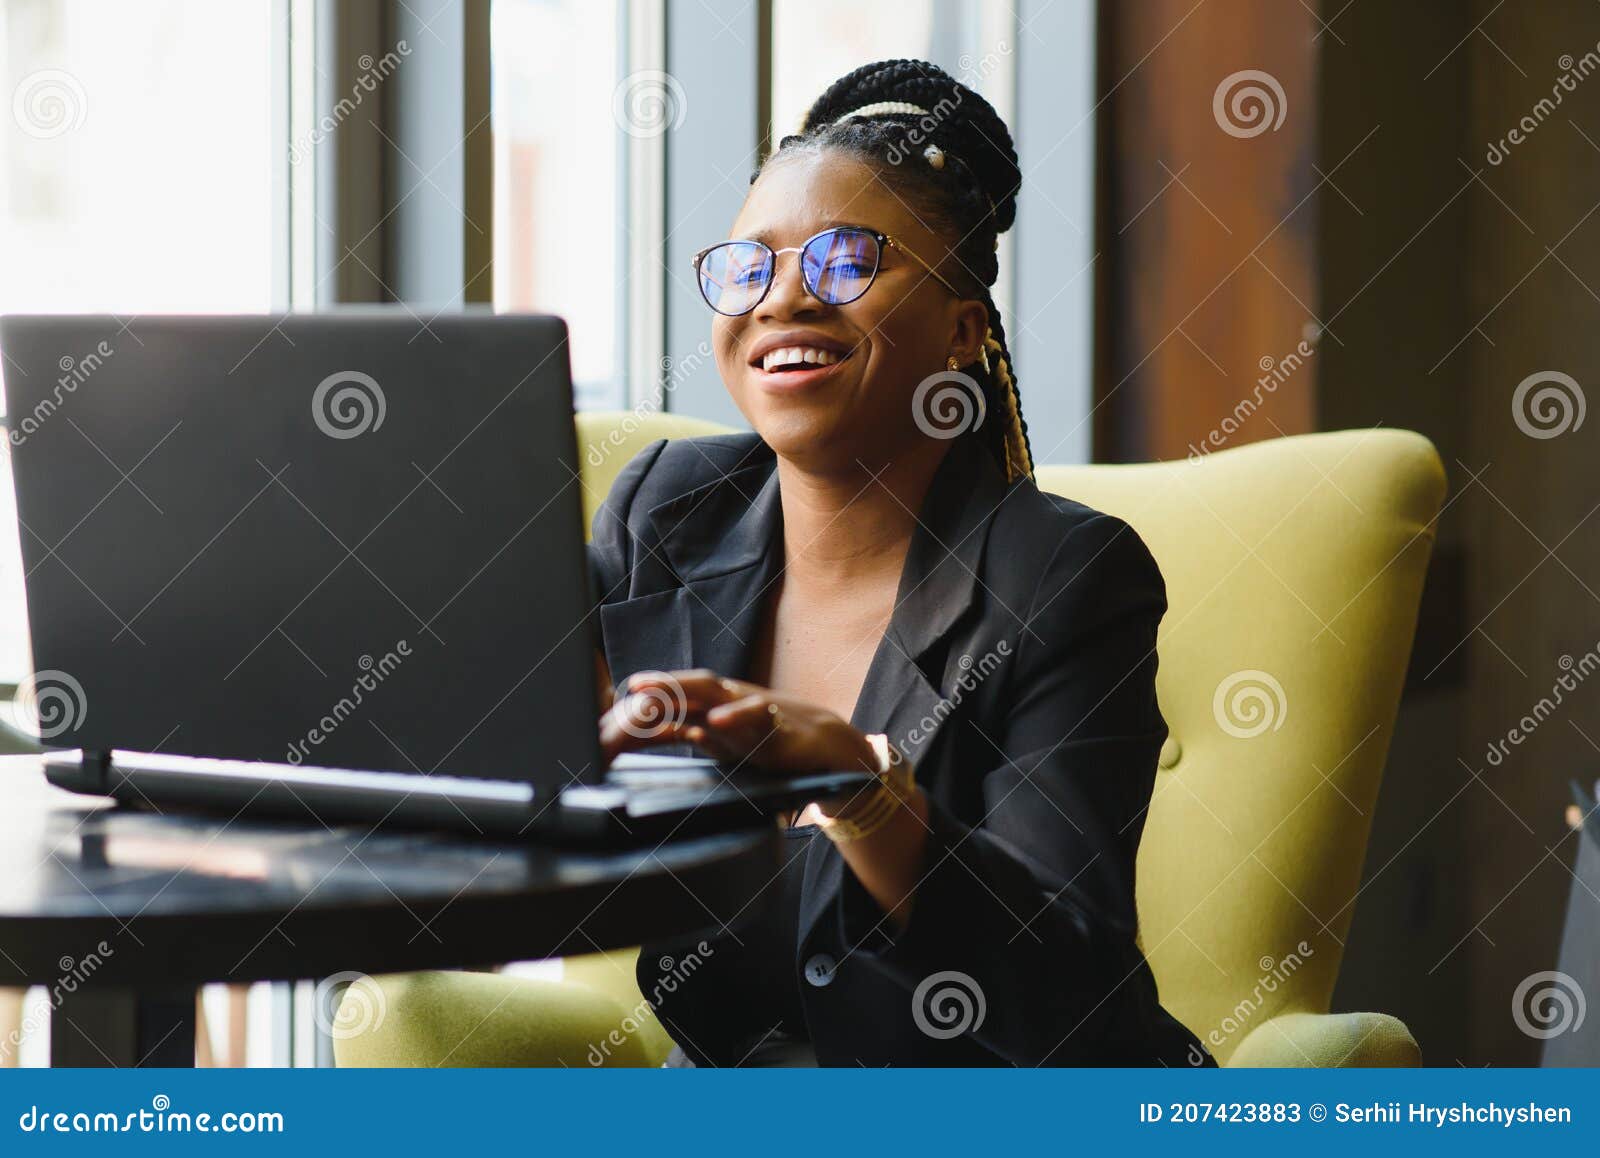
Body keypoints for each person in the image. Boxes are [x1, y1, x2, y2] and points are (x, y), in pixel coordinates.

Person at [588, 59, 1209, 1067]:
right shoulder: (667, 513)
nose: (783, 299)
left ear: (962, 330)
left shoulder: (1065, 577)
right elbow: (494, 749)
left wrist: (863, 793)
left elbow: (1068, 988)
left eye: (844, 261)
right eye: (749, 267)